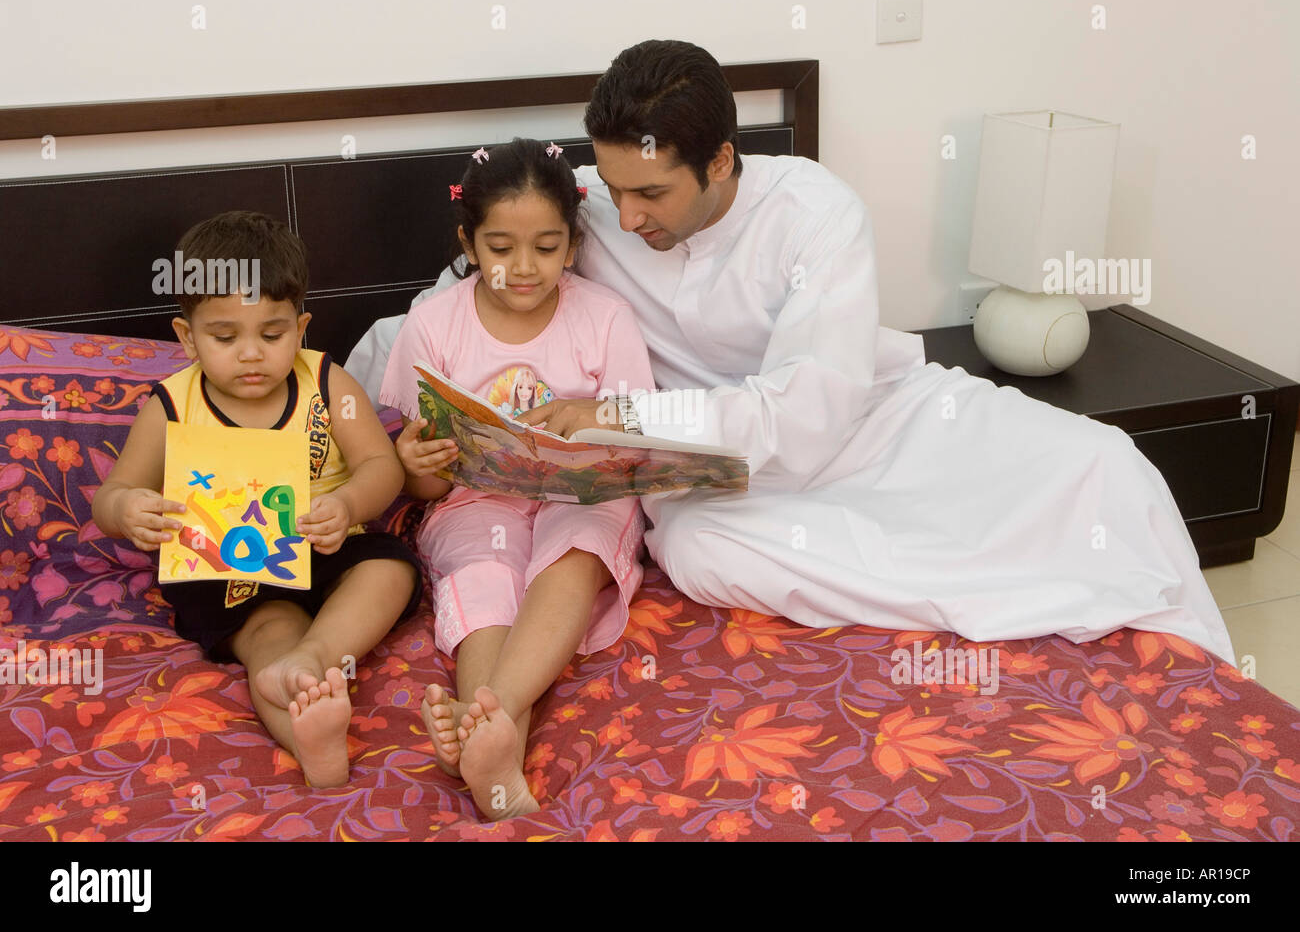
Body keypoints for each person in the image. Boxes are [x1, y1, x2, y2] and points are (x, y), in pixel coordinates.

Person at [349, 41, 1235, 667]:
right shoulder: (585, 203)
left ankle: (1165, 638)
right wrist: (334, 411)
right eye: (611, 187)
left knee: (1104, 461)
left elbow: (809, 413)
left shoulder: (818, 215)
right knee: (697, 556)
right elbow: (470, 291)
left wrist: (612, 412)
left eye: (650, 193)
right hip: (713, 475)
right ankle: (987, 595)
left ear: (724, 160)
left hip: (869, 424)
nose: (624, 216)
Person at [92, 211, 421, 789]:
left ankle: (315, 655)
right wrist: (126, 510)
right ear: (186, 336)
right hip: (228, 568)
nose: (251, 354)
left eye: (272, 334)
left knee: (390, 570)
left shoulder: (326, 383)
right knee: (267, 636)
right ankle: (310, 740)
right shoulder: (170, 405)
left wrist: (346, 505)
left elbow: (382, 466)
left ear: (301, 327)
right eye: (225, 337)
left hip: (325, 542)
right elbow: (112, 495)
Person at [380, 138, 655, 820]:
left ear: (572, 244)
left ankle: (486, 725)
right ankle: (496, 759)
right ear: (468, 243)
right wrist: (415, 472)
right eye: (501, 248)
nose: (523, 269)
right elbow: (413, 473)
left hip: (583, 490)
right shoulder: (433, 322)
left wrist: (599, 426)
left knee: (572, 552)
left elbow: (638, 431)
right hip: (476, 496)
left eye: (546, 247)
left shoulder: (605, 317)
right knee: (482, 571)